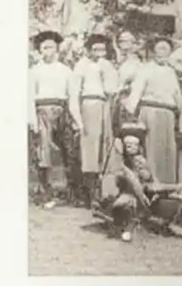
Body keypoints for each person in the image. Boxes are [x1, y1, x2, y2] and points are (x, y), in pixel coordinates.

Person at [125, 36, 182, 187]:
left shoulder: (171, 72)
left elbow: (177, 96)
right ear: (153, 51)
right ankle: (152, 184)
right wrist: (130, 113)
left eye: (166, 49)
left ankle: (168, 186)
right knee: (152, 150)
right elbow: (136, 92)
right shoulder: (145, 69)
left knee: (168, 151)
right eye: (159, 49)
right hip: (150, 112)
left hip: (168, 115)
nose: (162, 52)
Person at [28, 29, 82, 208]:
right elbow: (29, 97)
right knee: (44, 152)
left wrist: (78, 121)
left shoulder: (66, 71)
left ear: (57, 49)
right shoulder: (34, 71)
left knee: (68, 151)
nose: (47, 51)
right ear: (39, 50)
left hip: (62, 110)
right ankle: (46, 192)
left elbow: (72, 98)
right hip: (42, 111)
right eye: (43, 48)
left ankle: (70, 192)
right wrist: (33, 121)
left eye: (50, 47)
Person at [73, 33, 119, 208]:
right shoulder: (82, 65)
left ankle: (104, 192)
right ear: (88, 49)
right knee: (90, 146)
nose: (99, 52)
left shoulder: (107, 65)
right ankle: (89, 193)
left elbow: (111, 88)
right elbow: (75, 92)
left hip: (105, 104)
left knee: (105, 145)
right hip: (89, 102)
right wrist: (78, 119)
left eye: (102, 49)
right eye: (95, 49)